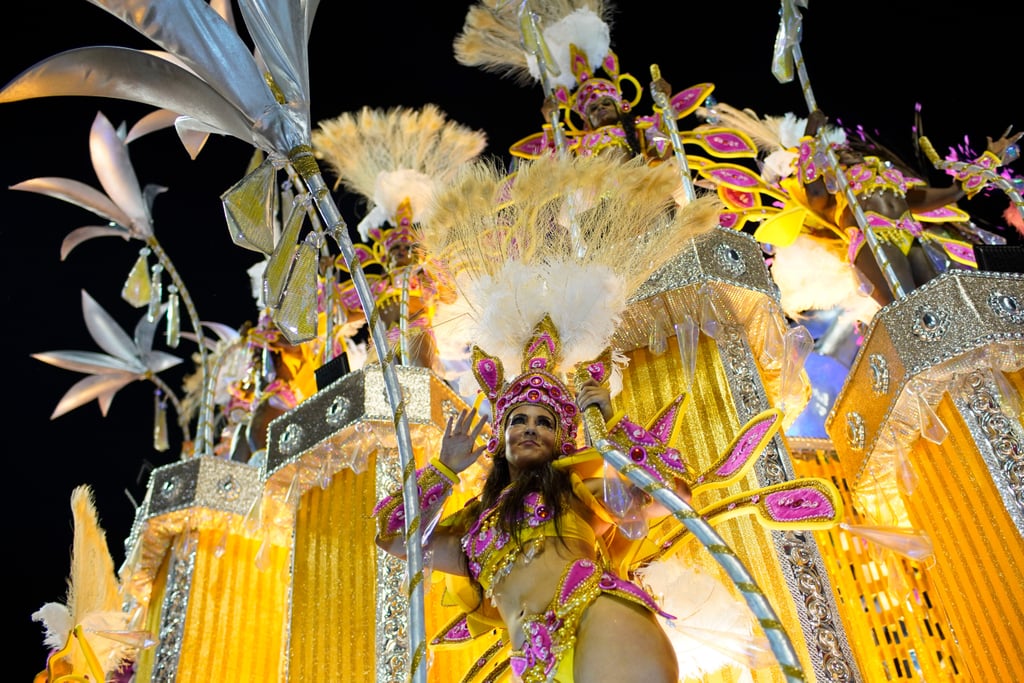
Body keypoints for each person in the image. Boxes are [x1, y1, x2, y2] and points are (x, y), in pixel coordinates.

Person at [372, 316, 689, 682]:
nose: (530, 428)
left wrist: (612, 422)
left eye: (545, 422)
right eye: (518, 419)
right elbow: (393, 535)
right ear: (499, 439)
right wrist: (444, 469)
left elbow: (673, 494)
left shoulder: (575, 493)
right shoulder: (472, 532)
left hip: (597, 616)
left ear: (562, 443)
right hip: (533, 661)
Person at [799, 109, 1022, 306]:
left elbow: (953, 192)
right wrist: (808, 137)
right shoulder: (836, 188)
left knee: (939, 307)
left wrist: (989, 159)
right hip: (874, 239)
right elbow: (816, 193)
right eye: (841, 152)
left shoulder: (893, 178)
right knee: (908, 309)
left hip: (912, 238)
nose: (851, 151)